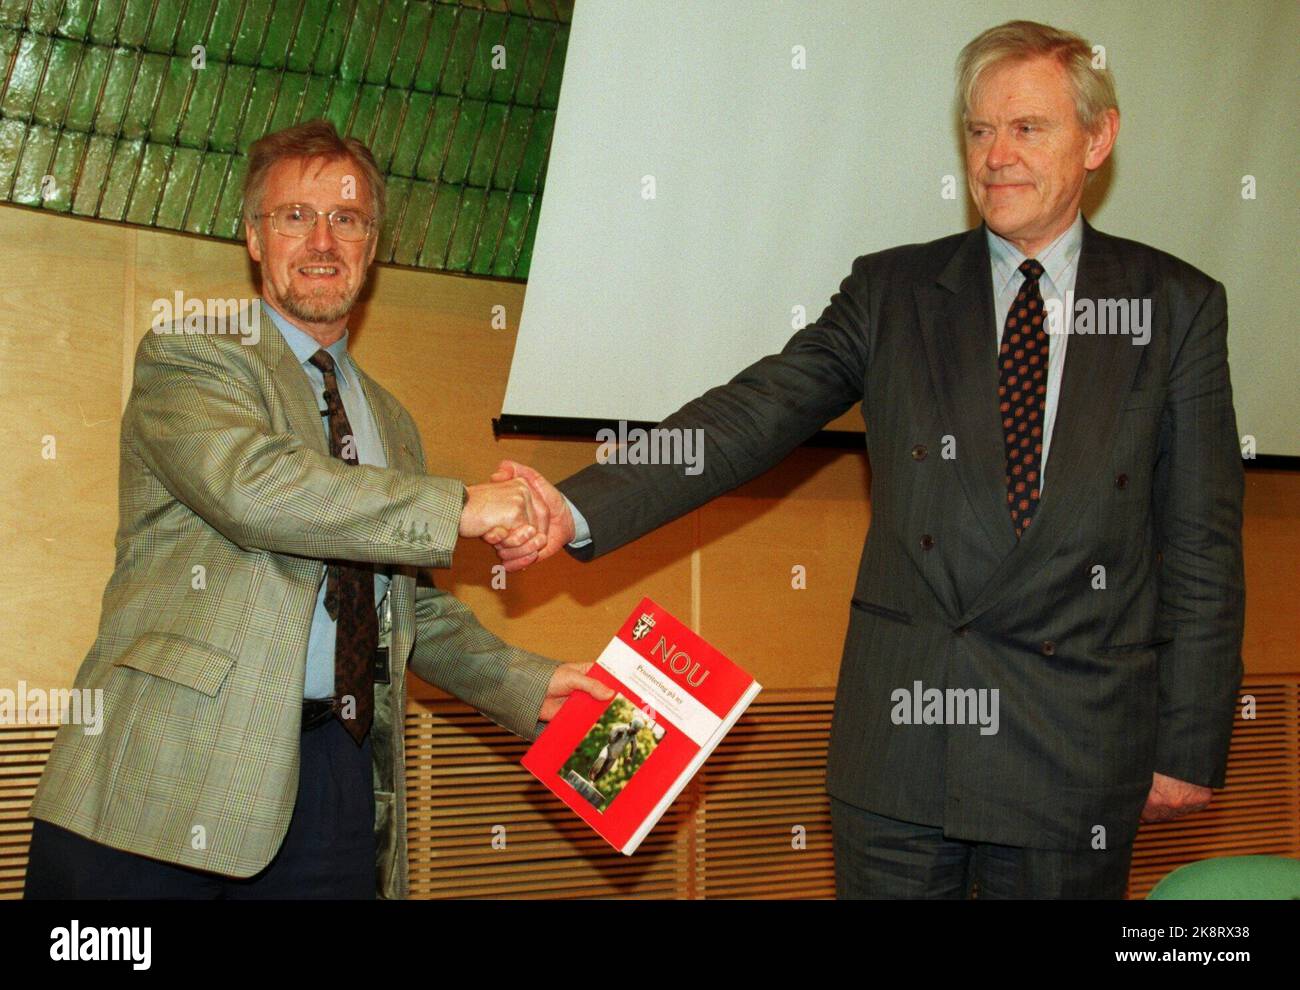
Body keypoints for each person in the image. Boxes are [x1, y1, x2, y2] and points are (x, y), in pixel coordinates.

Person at [487, 20, 1245, 898]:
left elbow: (1200, 547)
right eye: (978, 129)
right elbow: (750, 414)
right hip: (901, 763)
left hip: (1075, 763)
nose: (996, 155)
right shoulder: (893, 292)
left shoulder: (1176, 306)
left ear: (1098, 139)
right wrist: (575, 508)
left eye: (1027, 128)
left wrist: (1187, 744)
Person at [24, 118, 609, 899]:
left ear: (372, 247)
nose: (323, 241)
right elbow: (257, 490)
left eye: (348, 219)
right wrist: (464, 503)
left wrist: (529, 686)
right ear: (255, 239)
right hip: (165, 779)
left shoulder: (391, 422)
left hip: (335, 778)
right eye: (295, 216)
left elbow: (400, 609)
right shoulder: (192, 355)